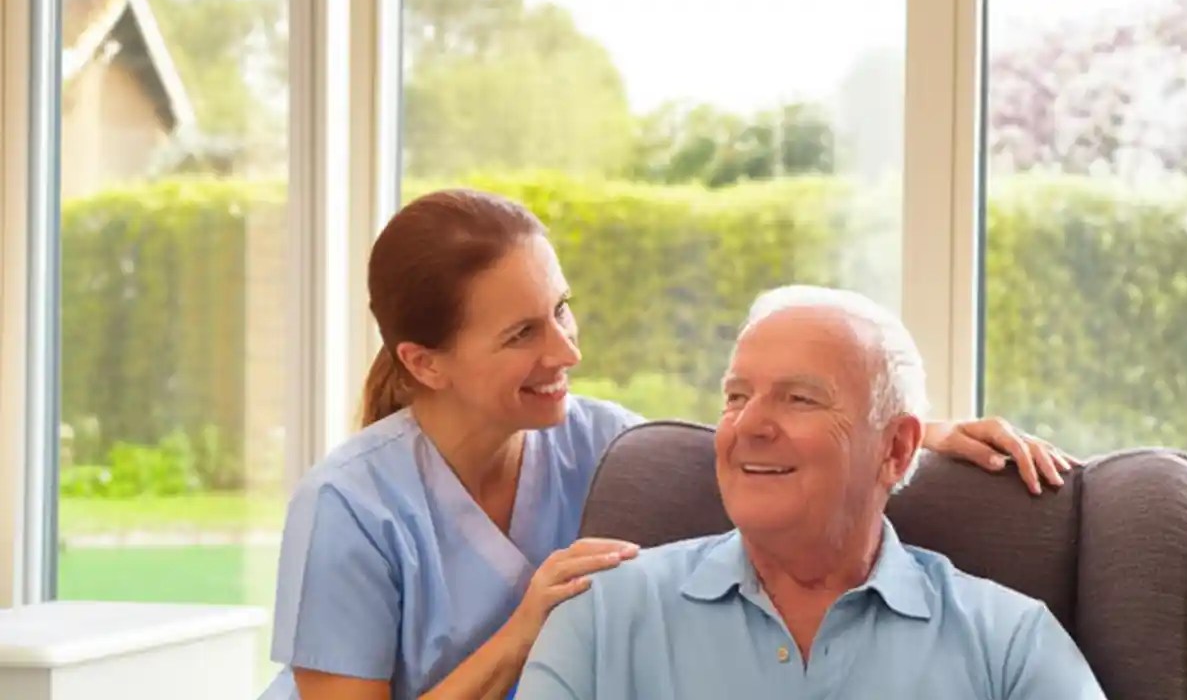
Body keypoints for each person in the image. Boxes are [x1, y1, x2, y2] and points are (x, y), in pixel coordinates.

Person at [260, 190, 1080, 700]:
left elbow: (756, 440)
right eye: (521, 334)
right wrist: (522, 631)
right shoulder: (349, 507)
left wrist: (917, 432)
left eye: (561, 309)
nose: (567, 349)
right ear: (424, 363)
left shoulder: (597, 442)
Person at [515, 285, 1104, 700]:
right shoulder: (602, 615)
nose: (749, 425)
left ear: (896, 450)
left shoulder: (1009, 642)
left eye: (799, 399)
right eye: (736, 397)